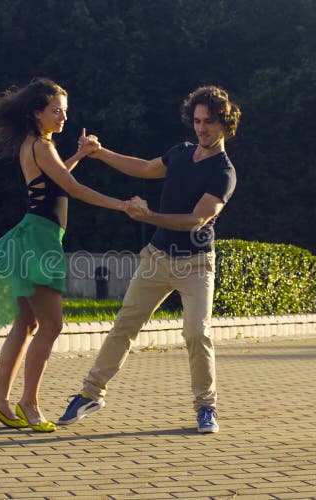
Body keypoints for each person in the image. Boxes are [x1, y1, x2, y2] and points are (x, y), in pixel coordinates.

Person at [0, 78, 140, 432]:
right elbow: (71, 188)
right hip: (40, 241)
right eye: (55, 111)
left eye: (65, 111)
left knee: (28, 324)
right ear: (36, 112)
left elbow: (57, 181)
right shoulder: (42, 146)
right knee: (52, 325)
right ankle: (28, 402)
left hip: (32, 234)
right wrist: (122, 204)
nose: (62, 117)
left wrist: (79, 154)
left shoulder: (37, 144)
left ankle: (0, 399)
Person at [58, 85, 241, 433]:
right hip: (157, 258)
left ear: (225, 125)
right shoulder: (181, 153)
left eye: (210, 122)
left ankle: (206, 407)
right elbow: (143, 168)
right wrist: (99, 153)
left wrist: (148, 217)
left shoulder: (224, 173)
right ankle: (90, 393)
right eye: (198, 120)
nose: (202, 128)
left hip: (196, 265)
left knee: (196, 333)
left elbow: (195, 220)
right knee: (125, 324)